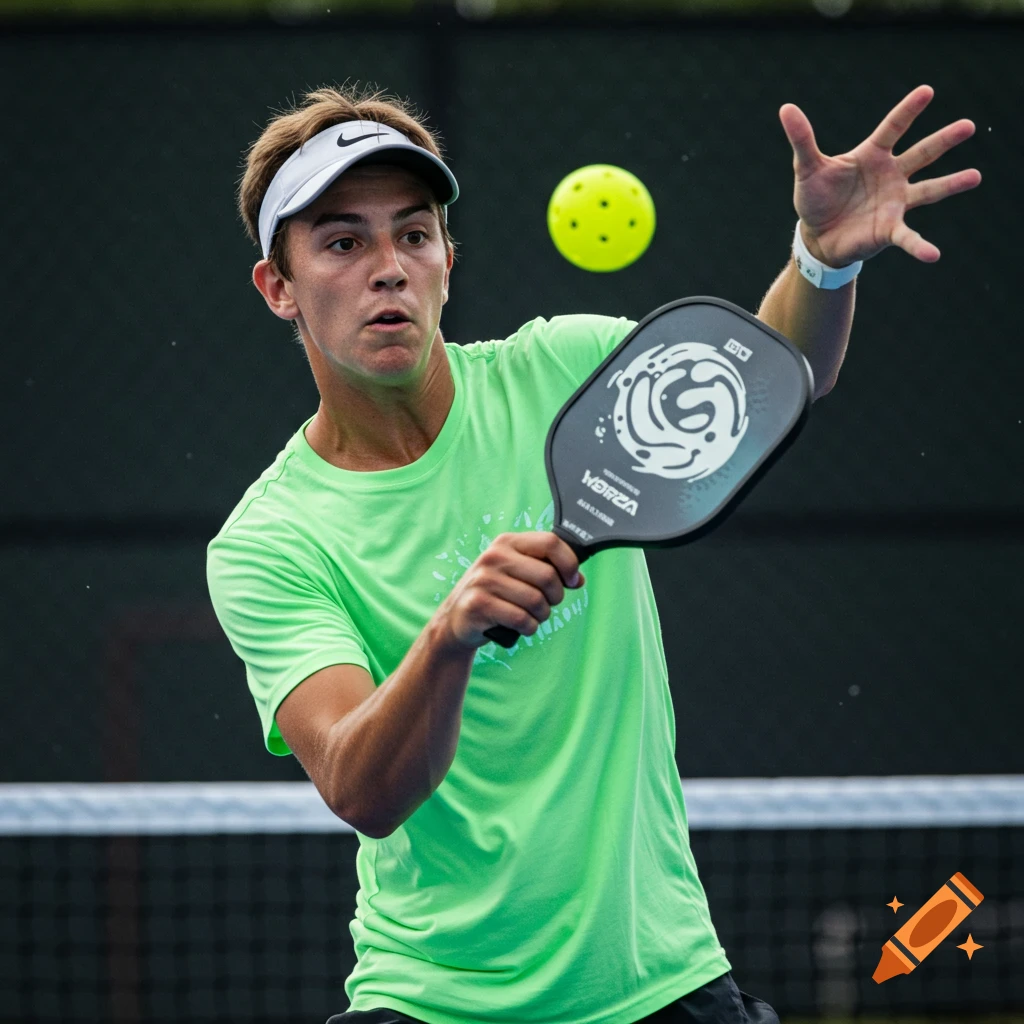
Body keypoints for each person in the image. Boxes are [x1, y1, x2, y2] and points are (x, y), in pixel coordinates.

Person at [207, 83, 980, 1024]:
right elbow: (360, 787)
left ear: (448, 258)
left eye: (414, 235)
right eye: (342, 243)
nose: (389, 269)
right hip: (430, 1001)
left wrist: (820, 262)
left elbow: (776, 382)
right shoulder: (271, 540)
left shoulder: (568, 372)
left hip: (663, 980)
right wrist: (448, 637)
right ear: (278, 287)